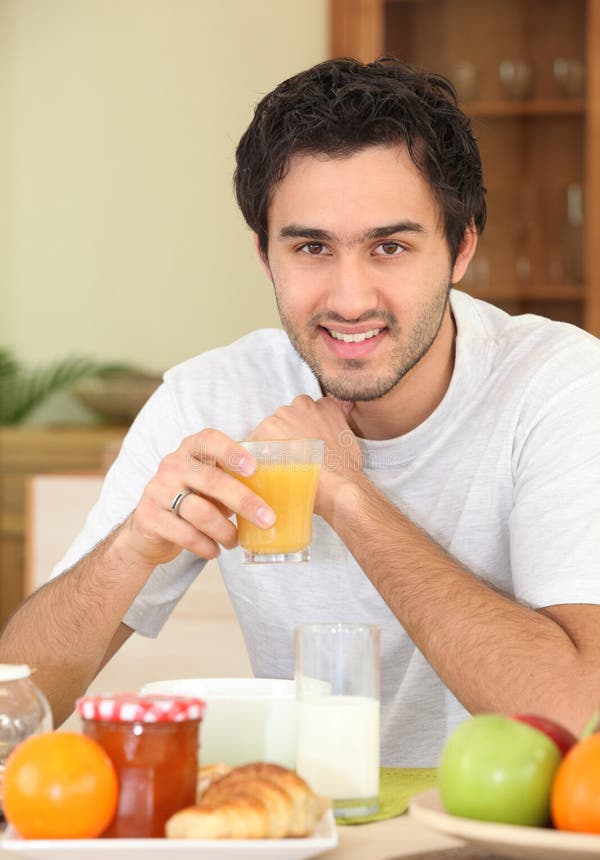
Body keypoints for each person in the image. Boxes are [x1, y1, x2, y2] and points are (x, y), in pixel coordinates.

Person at [2, 58, 600, 766]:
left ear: (461, 247)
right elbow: (12, 709)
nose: (349, 299)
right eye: (312, 247)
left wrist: (348, 495)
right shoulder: (210, 398)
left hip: (507, 829)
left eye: (390, 247)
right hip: (298, 823)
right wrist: (130, 547)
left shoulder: (558, 386)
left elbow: (579, 716)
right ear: (265, 255)